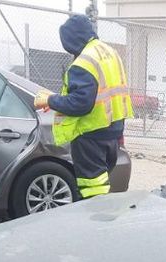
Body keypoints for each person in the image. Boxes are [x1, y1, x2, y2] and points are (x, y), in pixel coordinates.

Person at [34, 14, 133, 199]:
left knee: (93, 191)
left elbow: (80, 104)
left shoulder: (83, 62)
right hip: (113, 131)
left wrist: (50, 100)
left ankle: (94, 217)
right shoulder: (109, 52)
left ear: (70, 41)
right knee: (101, 185)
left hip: (91, 135)